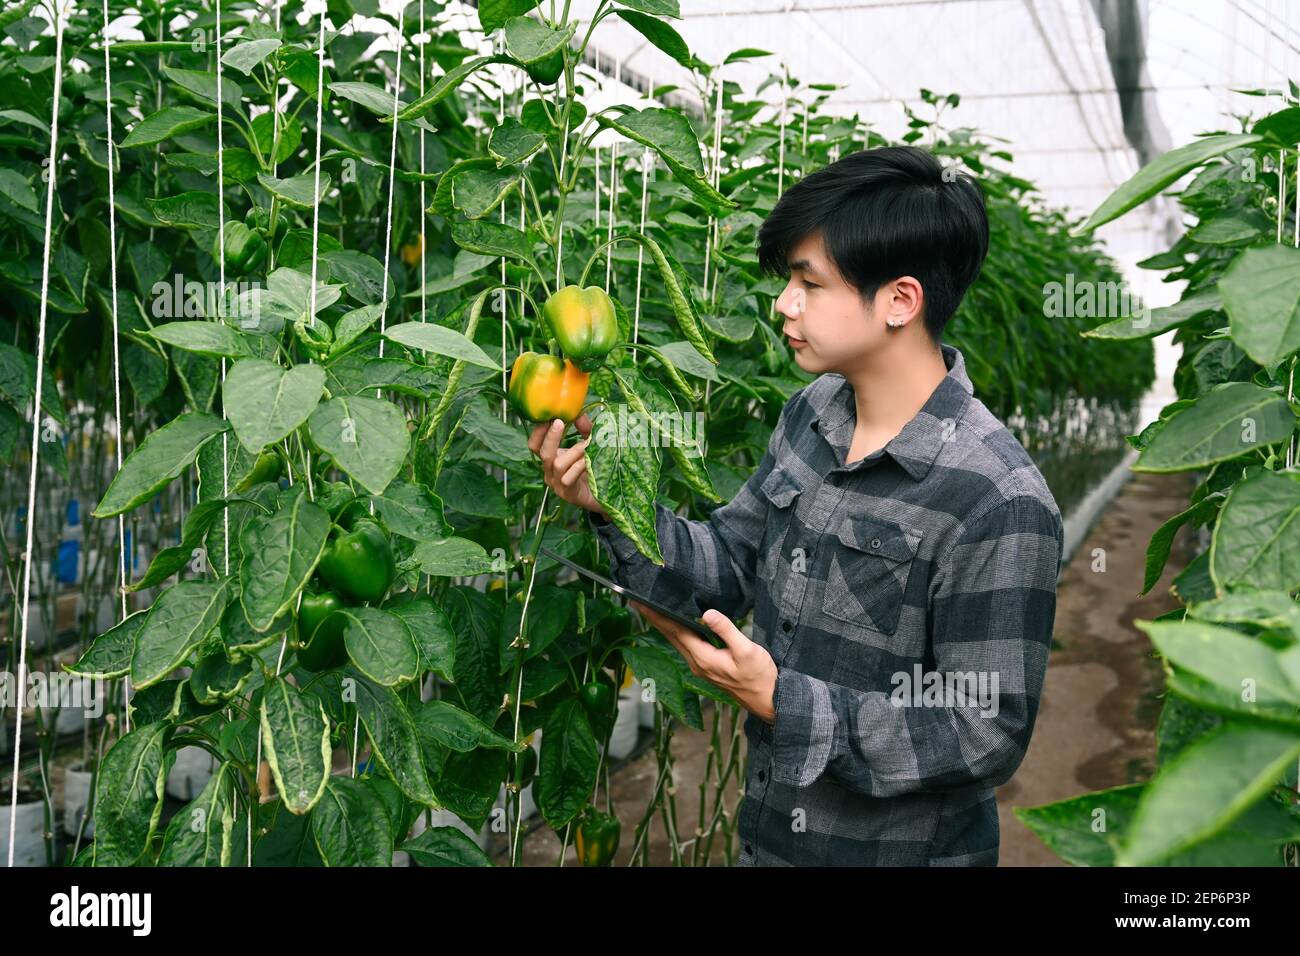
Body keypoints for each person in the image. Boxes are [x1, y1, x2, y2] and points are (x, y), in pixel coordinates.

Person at [527, 145, 1064, 866]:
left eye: (810, 283)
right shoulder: (812, 416)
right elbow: (726, 565)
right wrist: (610, 504)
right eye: (789, 280)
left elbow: (985, 731)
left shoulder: (996, 496)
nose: (785, 303)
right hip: (773, 836)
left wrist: (788, 702)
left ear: (901, 301)